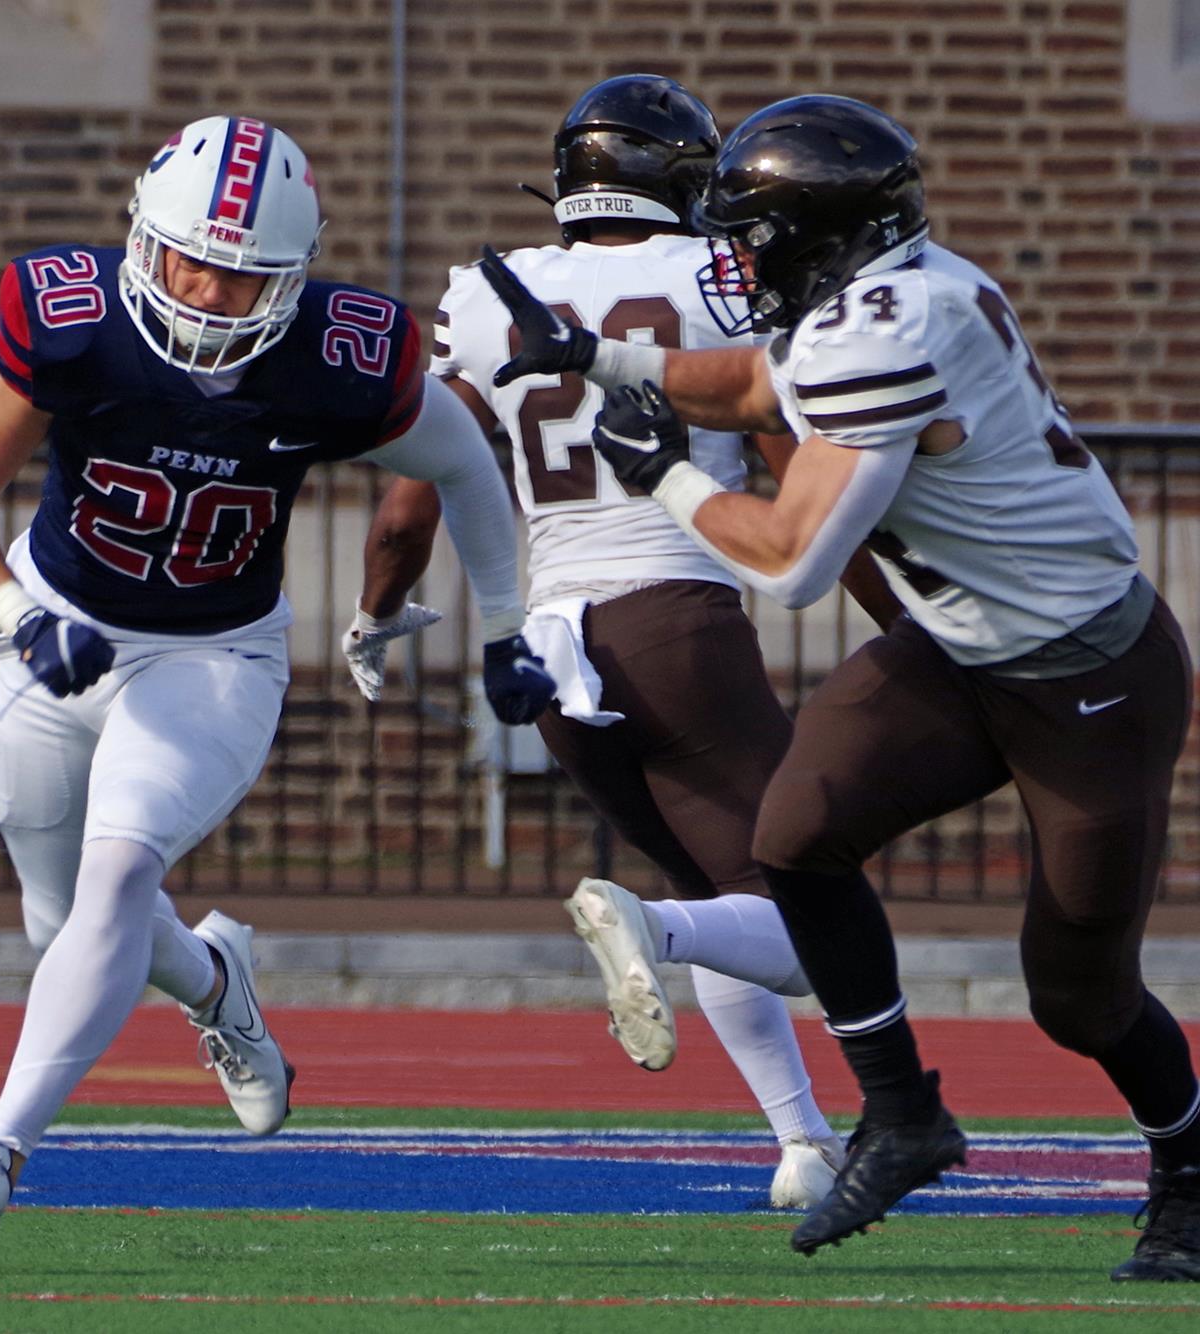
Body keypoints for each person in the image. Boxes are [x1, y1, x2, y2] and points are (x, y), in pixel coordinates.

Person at [487, 93, 1200, 1278]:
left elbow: (794, 559)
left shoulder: (890, 327)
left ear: (815, 238)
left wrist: (662, 477)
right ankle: (901, 1111)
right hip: (962, 644)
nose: (734, 255)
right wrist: (599, 355)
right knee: (796, 830)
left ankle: (1186, 1167)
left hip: (1087, 675)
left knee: (1076, 994)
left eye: (753, 234)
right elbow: (761, 384)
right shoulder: (888, 289)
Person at [0, 114, 554, 1252]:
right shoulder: (75, 320)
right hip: (61, 631)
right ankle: (214, 978)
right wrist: (15, 614)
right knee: (57, 922)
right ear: (138, 236)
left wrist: (506, 626)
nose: (204, 290)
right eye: (187, 256)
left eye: (241, 272)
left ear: (293, 277)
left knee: (111, 884)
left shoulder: (336, 352)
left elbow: (458, 461)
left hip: (213, 653)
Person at [349, 74, 896, 1209]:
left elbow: (408, 503)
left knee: (718, 894)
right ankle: (646, 930)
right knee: (799, 911)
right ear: (683, 182)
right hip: (674, 615)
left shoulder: (487, 293)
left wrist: (373, 613)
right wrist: (911, 619)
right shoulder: (717, 278)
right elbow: (806, 488)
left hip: (548, 653)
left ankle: (799, 1139)